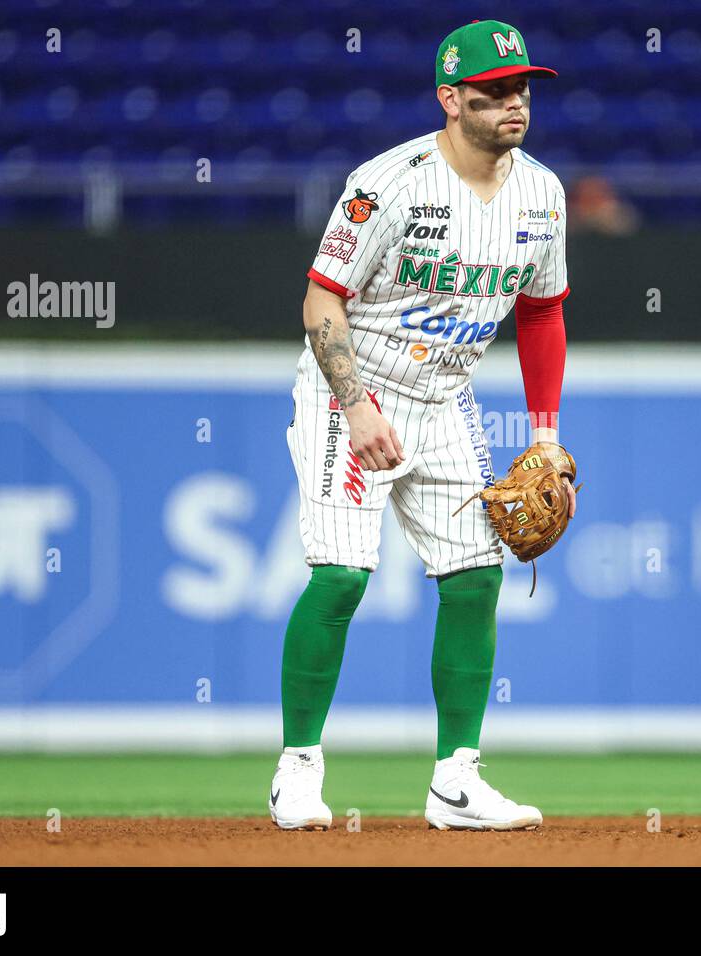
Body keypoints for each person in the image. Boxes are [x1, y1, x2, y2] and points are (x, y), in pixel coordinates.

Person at [270, 19, 575, 831]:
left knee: (477, 578)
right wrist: (357, 403)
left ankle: (457, 780)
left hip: (447, 398)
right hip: (353, 388)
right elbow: (320, 298)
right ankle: (298, 770)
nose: (514, 102)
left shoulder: (543, 194)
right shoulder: (389, 183)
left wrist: (544, 432)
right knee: (340, 576)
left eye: (522, 89)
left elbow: (543, 313)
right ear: (451, 99)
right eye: (494, 92)